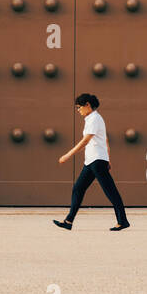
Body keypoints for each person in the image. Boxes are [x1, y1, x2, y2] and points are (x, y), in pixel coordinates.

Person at [53, 93, 130, 231]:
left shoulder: (94, 118)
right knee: (78, 188)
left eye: (79, 107)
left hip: (96, 160)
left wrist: (67, 155)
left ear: (87, 104)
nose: (78, 110)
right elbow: (104, 140)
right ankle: (68, 221)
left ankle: (123, 221)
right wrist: (108, 158)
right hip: (92, 161)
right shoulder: (91, 119)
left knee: (110, 191)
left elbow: (86, 140)